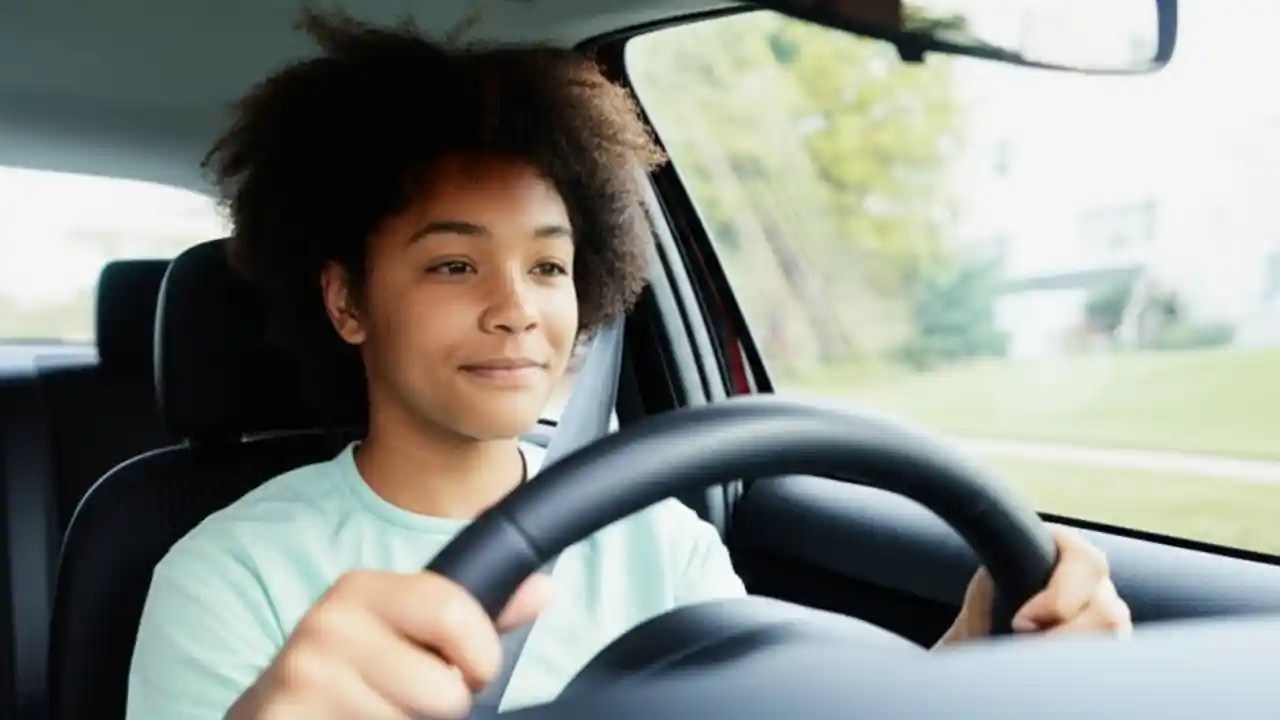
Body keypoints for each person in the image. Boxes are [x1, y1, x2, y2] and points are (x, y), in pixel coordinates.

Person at [127, 11, 1131, 720]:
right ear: (346, 301)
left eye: (549, 265)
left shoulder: (662, 544)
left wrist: (975, 673)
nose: (516, 306)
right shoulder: (228, 573)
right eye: (451, 263)